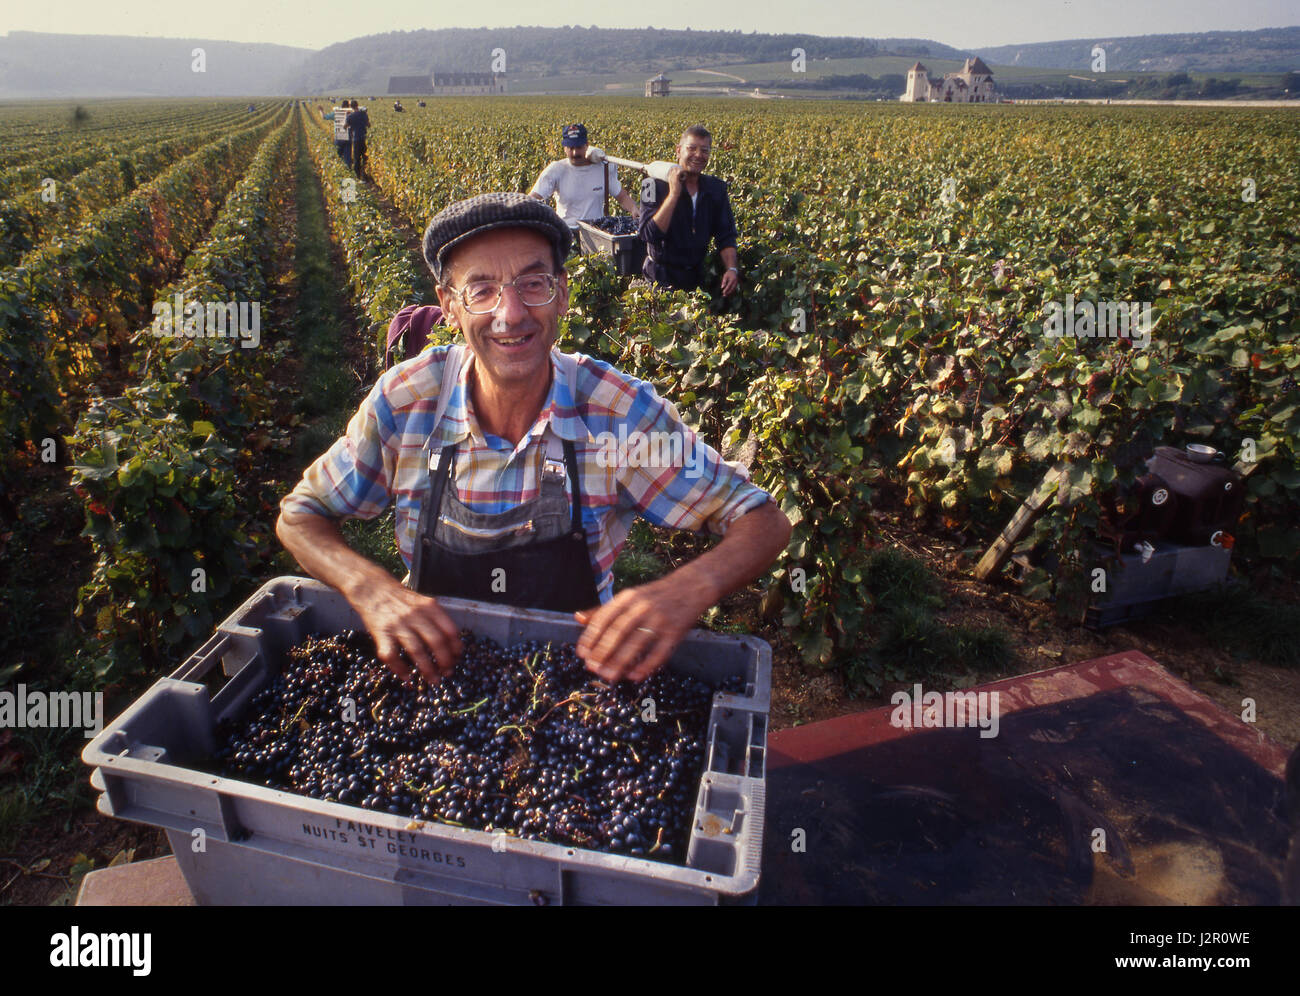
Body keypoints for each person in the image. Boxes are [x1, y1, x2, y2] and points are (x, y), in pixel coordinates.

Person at [277, 192, 790, 686]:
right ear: (449, 308)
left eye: (534, 283)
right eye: (481, 290)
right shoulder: (408, 401)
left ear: (562, 293)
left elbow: (762, 521)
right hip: (437, 677)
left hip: (574, 694)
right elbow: (299, 515)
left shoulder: (615, 415)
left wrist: (687, 590)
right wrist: (370, 589)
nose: (512, 313)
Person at [638, 125, 740, 295]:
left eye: (704, 150)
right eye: (691, 148)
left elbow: (726, 235)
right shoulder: (653, 184)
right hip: (660, 280)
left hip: (696, 279)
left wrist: (732, 269)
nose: (698, 155)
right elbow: (649, 234)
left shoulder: (716, 189)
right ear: (678, 151)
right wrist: (674, 194)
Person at [529, 123, 637, 225]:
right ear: (564, 148)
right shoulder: (556, 170)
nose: (575, 153)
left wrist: (633, 208)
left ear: (587, 145)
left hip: (595, 232)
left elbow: (622, 197)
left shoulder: (602, 168)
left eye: (579, 147)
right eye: (571, 148)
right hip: (567, 232)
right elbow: (533, 197)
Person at [345, 98, 370, 180]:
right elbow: (368, 125)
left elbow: (345, 127)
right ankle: (365, 174)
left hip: (356, 139)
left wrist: (347, 117)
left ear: (351, 107)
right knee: (364, 156)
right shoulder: (363, 114)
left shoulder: (350, 116)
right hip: (363, 137)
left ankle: (358, 176)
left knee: (356, 158)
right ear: (357, 105)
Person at [331, 100, 352, 168]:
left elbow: (324, 117)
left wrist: (321, 110)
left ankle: (339, 169)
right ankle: (348, 171)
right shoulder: (350, 114)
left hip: (339, 137)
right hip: (348, 138)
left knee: (338, 156)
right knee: (347, 157)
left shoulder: (336, 113)